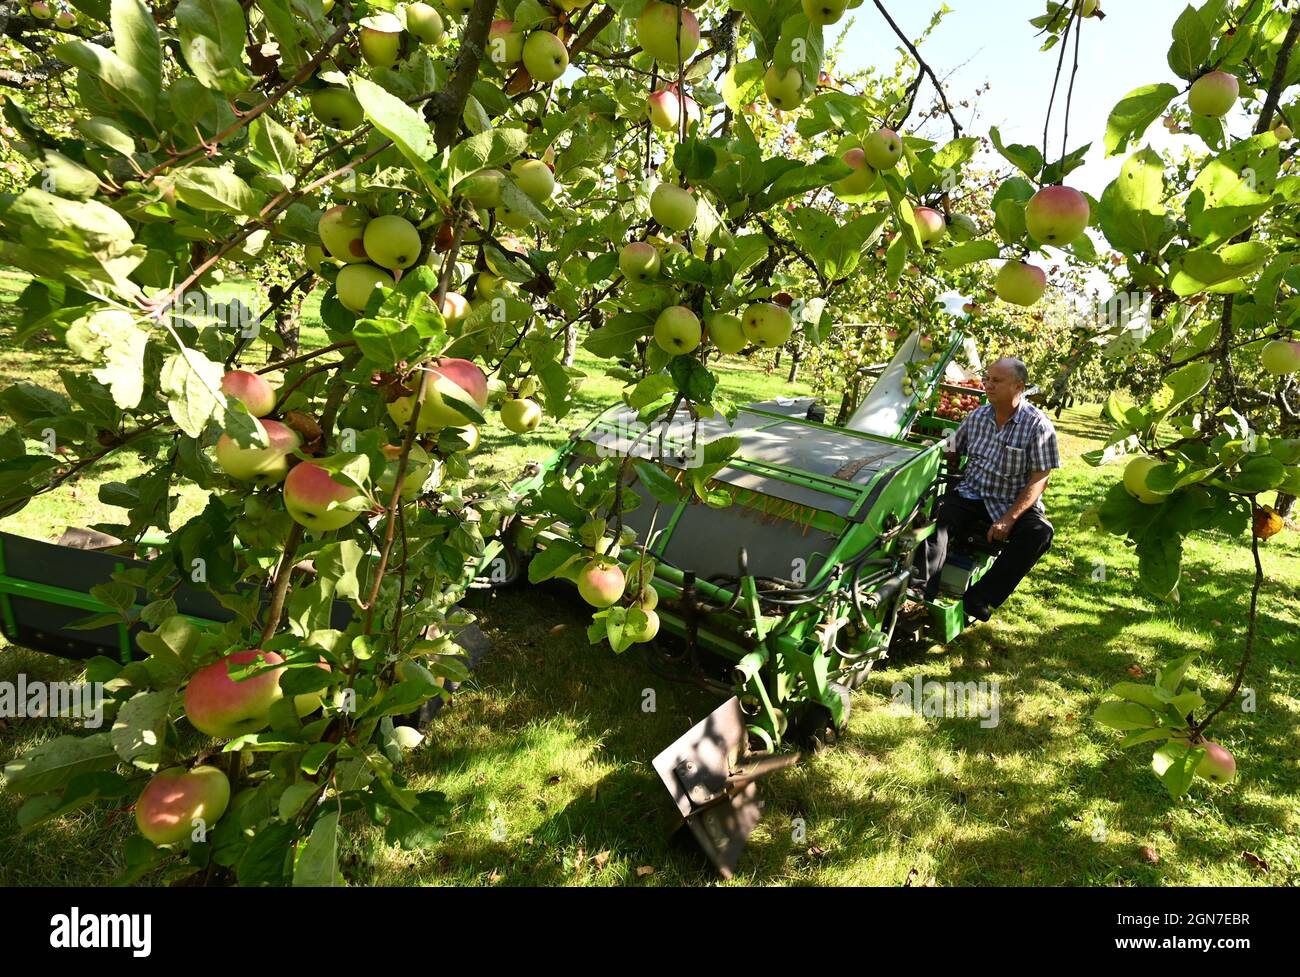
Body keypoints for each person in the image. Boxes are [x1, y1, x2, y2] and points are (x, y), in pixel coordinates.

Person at [909, 357, 1060, 621]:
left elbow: (1040, 478)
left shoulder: (1038, 426)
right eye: (987, 379)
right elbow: (954, 448)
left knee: (1040, 533)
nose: (988, 385)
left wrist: (1009, 519)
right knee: (940, 519)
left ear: (1018, 386)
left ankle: (980, 597)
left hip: (1011, 501)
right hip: (972, 493)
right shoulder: (978, 416)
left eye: (996, 381)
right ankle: (920, 590)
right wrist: (936, 448)